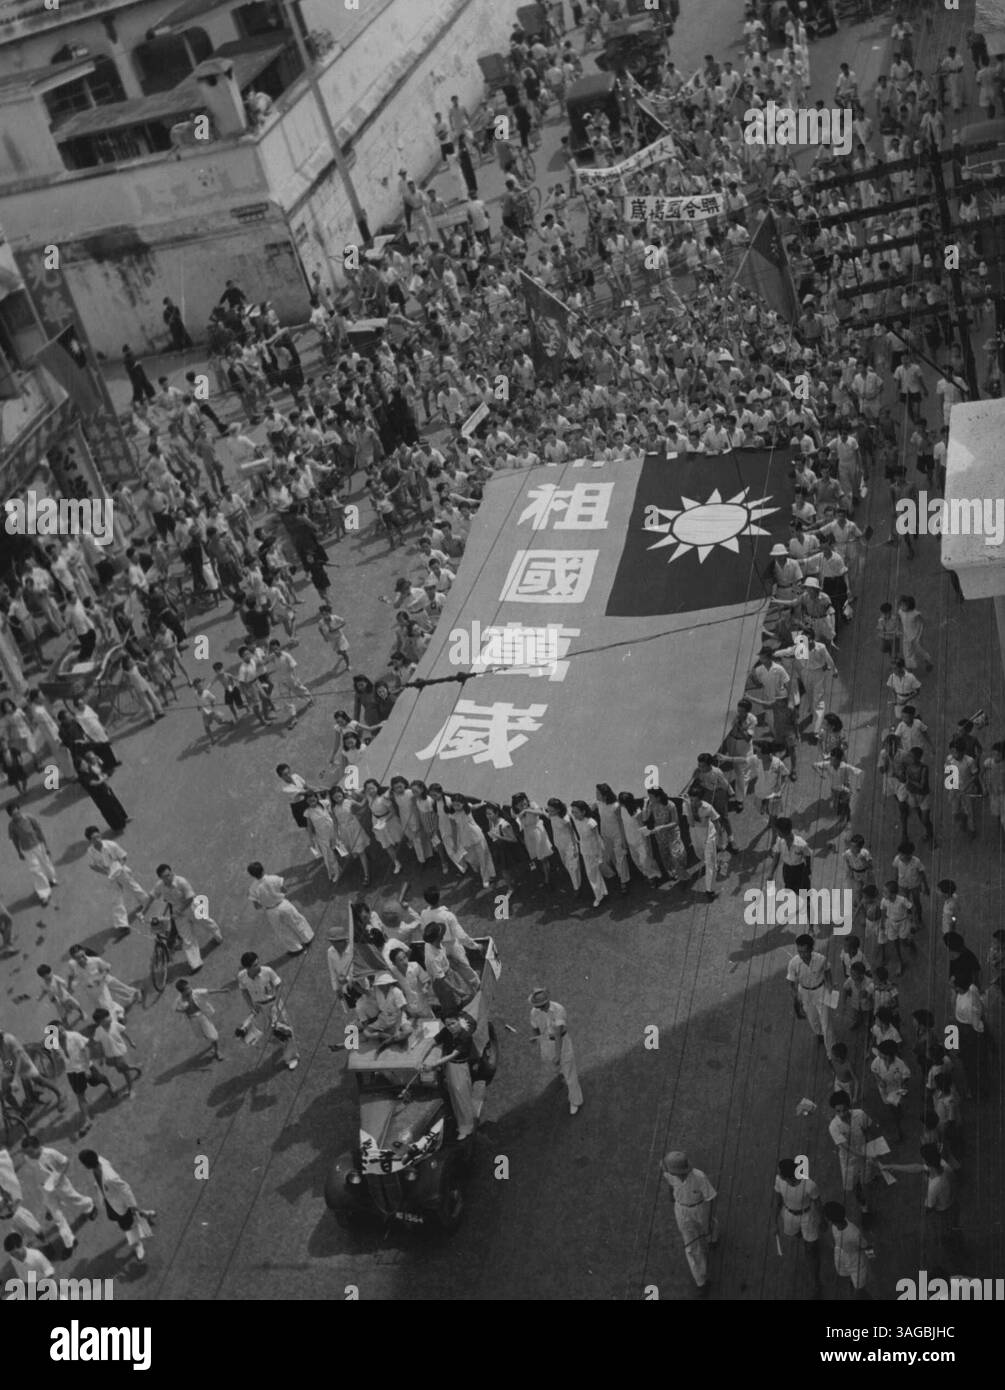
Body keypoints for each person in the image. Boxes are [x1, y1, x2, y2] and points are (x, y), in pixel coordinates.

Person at [78, 1149, 155, 1264]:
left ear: (87, 1165)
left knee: (126, 1226)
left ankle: (138, 1245)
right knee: (129, 1219)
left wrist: (133, 1205)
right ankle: (145, 1213)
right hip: (111, 1201)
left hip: (118, 1205)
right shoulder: (99, 1160)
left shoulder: (110, 1177)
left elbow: (125, 1189)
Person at [20, 1137, 95, 1253]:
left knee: (75, 1201)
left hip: (61, 1186)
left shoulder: (50, 1153)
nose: (28, 1155)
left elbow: (65, 1162)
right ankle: (70, 1242)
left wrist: (58, 1176)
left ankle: (90, 1206)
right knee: (58, 1217)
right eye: (26, 1153)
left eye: (30, 1152)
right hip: (46, 1190)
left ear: (38, 1146)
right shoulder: (28, 1158)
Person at [143, 862, 223, 972]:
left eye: (169, 874)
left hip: (191, 907)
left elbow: (190, 898)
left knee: (206, 922)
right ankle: (196, 964)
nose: (168, 877)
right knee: (187, 938)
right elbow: (151, 897)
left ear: (172, 872)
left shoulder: (181, 882)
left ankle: (218, 936)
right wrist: (143, 912)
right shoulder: (160, 886)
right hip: (178, 913)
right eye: (165, 876)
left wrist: (179, 910)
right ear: (161, 878)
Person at [661, 1150, 718, 1295]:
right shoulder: (668, 1174)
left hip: (700, 1207)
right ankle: (701, 1281)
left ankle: (712, 1237)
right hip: (681, 1210)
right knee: (691, 1247)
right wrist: (671, 1196)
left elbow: (710, 1197)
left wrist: (708, 1217)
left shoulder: (699, 1177)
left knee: (707, 1227)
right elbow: (670, 1184)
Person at [237, 952, 299, 1070]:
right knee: (268, 1035)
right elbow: (244, 991)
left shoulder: (267, 971)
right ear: (247, 968)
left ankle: (292, 1057)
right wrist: (251, 1007)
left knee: (285, 1031)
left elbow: (279, 986)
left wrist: (275, 1006)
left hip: (274, 1004)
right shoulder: (241, 976)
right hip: (259, 1008)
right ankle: (285, 1044)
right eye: (255, 965)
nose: (259, 966)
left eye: (258, 962)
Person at [50, 1020, 112, 1138]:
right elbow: (56, 1059)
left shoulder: (74, 1036)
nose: (61, 1032)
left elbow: (85, 1050)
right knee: (80, 1095)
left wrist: (87, 1068)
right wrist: (58, 1063)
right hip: (72, 1072)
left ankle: (110, 1085)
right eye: (57, 1032)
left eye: (61, 1029)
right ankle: (87, 1120)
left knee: (98, 1080)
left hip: (84, 1066)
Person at [84, 826, 151, 935]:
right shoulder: (90, 851)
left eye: (98, 836)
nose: (97, 839)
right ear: (90, 841)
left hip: (120, 871)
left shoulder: (111, 845)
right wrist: (105, 872)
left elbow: (123, 856)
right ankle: (123, 925)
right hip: (109, 875)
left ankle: (145, 901)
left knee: (133, 887)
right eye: (94, 838)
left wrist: (120, 867)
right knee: (116, 899)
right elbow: (92, 865)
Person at [528, 987, 582, 1115]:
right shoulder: (534, 1012)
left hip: (562, 1043)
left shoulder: (559, 1010)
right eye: (538, 1006)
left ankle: (576, 1101)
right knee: (553, 1064)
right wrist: (535, 1038)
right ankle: (560, 1072)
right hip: (546, 1042)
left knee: (570, 1076)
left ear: (547, 1001)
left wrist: (558, 1055)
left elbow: (558, 1035)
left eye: (542, 1005)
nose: (540, 1008)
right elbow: (535, 1027)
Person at [828, 1090, 880, 1217]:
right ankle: (864, 1207)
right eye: (838, 1111)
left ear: (849, 1106)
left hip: (865, 1151)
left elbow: (868, 1131)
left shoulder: (860, 1114)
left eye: (844, 1110)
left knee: (868, 1176)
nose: (842, 1114)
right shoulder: (833, 1126)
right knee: (853, 1185)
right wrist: (866, 1155)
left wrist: (872, 1149)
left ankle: (872, 1177)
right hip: (848, 1160)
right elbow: (846, 1147)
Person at [773, 1157, 822, 1292]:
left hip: (807, 1216)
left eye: (780, 1172)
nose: (778, 1174)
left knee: (811, 1251)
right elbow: (778, 1202)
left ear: (787, 1176)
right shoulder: (779, 1181)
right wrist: (775, 1223)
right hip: (789, 1216)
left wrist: (822, 1220)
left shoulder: (809, 1185)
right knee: (797, 1235)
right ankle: (806, 1241)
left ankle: (816, 1281)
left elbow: (818, 1203)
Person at [246, 862, 315, 955]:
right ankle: (307, 938)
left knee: (282, 930)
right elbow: (284, 890)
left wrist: (265, 901)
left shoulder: (253, 889)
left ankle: (296, 948)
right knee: (296, 921)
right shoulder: (274, 878)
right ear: (262, 869)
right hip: (283, 904)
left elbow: (257, 906)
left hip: (271, 911)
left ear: (252, 875)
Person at [787, 934, 835, 1050]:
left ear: (811, 949)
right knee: (813, 1019)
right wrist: (796, 1000)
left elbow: (827, 970)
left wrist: (830, 985)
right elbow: (791, 983)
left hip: (821, 990)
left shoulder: (821, 959)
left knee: (826, 1023)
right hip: (805, 993)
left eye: (805, 952)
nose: (802, 955)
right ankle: (819, 1033)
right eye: (799, 952)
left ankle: (831, 1051)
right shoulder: (793, 963)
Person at [66, 944, 140, 1019]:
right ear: (73, 958)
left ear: (84, 952)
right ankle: (117, 1013)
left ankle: (134, 993)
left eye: (82, 956)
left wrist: (100, 978)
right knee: (101, 1003)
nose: (81, 959)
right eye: (78, 958)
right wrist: (69, 987)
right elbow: (71, 975)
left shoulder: (95, 960)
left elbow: (107, 968)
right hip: (90, 989)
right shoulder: (72, 964)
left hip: (103, 980)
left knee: (119, 987)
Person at [0, 1028, 65, 1112]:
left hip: (23, 1064)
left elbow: (19, 1057)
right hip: (9, 1065)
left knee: (40, 1081)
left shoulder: (10, 1039)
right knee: (5, 1092)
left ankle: (60, 1095)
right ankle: (20, 1111)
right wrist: (8, 1067)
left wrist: (15, 1079)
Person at [6, 802, 57, 905]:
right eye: (14, 814)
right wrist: (19, 852)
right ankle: (44, 894)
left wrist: (46, 846)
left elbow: (39, 831)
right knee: (36, 870)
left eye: (18, 812)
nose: (17, 815)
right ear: (11, 816)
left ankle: (51, 879)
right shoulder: (11, 826)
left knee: (46, 864)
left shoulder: (29, 817)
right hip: (27, 850)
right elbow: (15, 840)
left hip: (39, 845)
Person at [822, 1201, 875, 1298]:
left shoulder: (854, 1234)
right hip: (842, 1257)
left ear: (830, 1220)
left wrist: (871, 1259)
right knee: (847, 1277)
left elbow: (866, 1246)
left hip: (856, 1263)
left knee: (859, 1292)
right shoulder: (835, 1226)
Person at [91, 1008, 142, 1097]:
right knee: (121, 1069)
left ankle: (131, 1090)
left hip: (119, 1053)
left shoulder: (115, 1025)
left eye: (108, 1015)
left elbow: (124, 1033)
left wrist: (131, 1042)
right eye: (106, 1017)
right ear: (100, 1022)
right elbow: (99, 1045)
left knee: (125, 1072)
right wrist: (101, 1058)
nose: (110, 1017)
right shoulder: (98, 1031)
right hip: (109, 1056)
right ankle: (135, 1068)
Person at [76, 751, 129, 834]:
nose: (85, 764)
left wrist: (97, 762)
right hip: (100, 797)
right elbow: (94, 783)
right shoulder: (83, 777)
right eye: (83, 764)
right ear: (79, 768)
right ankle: (118, 827)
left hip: (105, 789)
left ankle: (124, 818)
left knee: (115, 803)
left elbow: (98, 770)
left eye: (84, 762)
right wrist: (104, 777)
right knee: (109, 811)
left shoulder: (89, 767)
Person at [174, 978, 225, 1062]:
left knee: (213, 1036)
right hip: (193, 1020)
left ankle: (217, 1052)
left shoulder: (196, 992)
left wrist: (221, 991)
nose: (190, 989)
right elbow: (175, 1008)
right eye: (187, 989)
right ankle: (212, 1043)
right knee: (202, 1034)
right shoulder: (179, 1000)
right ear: (182, 992)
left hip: (203, 1017)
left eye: (189, 987)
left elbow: (208, 991)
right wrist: (183, 1010)